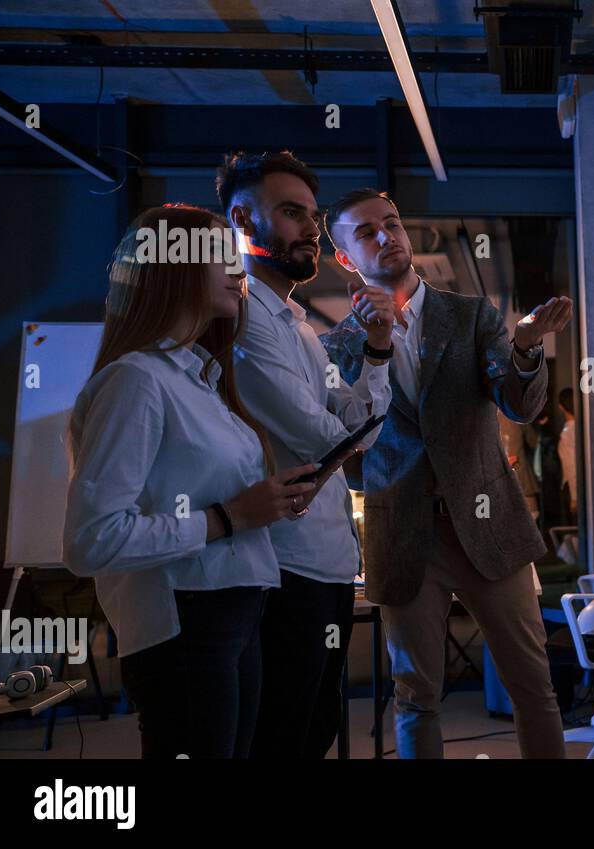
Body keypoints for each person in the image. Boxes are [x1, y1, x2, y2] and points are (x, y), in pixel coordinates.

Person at [319, 188, 573, 758]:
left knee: (533, 688)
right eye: (366, 232)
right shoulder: (335, 348)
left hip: (491, 526)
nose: (386, 236)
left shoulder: (471, 314)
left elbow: (518, 404)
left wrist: (527, 347)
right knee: (415, 698)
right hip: (402, 533)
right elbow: (344, 454)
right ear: (344, 258)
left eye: (392, 223)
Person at [63, 204, 320, 758]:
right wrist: (227, 518)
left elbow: (220, 504)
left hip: (236, 614)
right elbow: (92, 540)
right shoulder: (136, 380)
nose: (238, 271)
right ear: (172, 268)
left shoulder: (199, 379)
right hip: (186, 626)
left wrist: (267, 504)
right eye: (220, 257)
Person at [216, 150, 395, 758]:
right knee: (281, 736)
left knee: (314, 730)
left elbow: (359, 431)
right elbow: (329, 438)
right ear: (243, 219)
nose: (309, 230)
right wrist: (343, 432)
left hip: (328, 562)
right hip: (283, 567)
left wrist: (375, 347)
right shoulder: (242, 316)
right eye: (291, 213)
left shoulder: (298, 322)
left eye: (312, 217)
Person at [557, 387, 578, 521]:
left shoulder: (567, 431)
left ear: (561, 407)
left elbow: (570, 465)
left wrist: (574, 497)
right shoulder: (582, 427)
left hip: (572, 487)